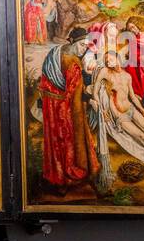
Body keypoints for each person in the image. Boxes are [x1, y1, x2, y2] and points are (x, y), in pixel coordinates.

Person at [37, 28, 99, 193]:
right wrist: (89, 99)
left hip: (51, 105)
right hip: (65, 108)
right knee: (69, 140)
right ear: (72, 41)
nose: (84, 48)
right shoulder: (73, 63)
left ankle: (56, 176)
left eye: (86, 45)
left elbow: (45, 80)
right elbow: (74, 93)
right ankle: (70, 176)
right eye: (81, 44)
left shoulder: (54, 53)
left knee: (54, 139)